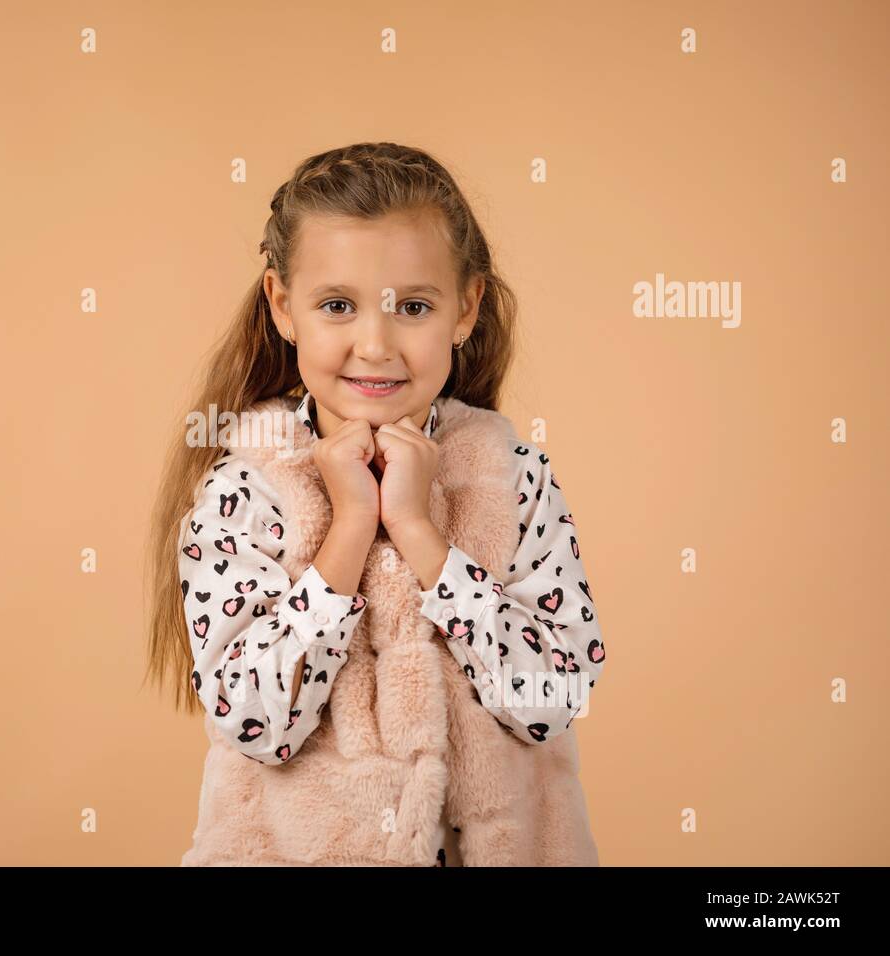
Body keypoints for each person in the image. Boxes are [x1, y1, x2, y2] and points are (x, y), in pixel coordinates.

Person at [144, 142, 607, 866]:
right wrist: (352, 527)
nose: (375, 343)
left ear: (466, 308)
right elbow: (261, 724)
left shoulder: (513, 476)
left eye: (414, 307)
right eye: (337, 306)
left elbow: (555, 697)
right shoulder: (244, 491)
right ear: (282, 305)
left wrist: (421, 535)